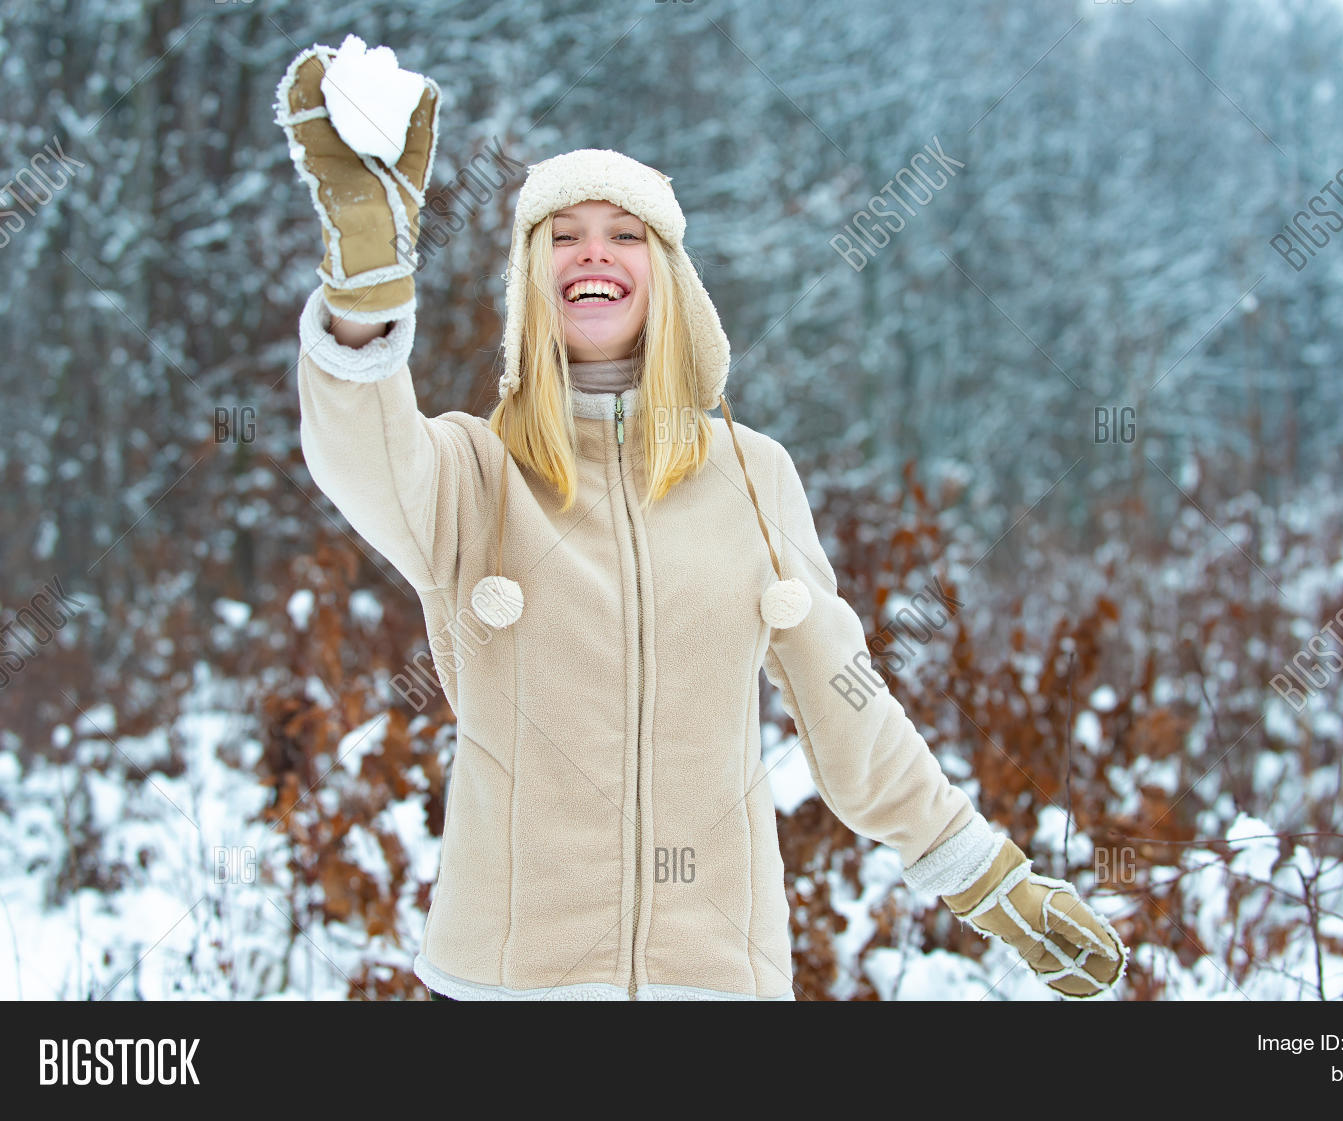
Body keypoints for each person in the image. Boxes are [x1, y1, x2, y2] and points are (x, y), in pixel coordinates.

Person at [275, 41, 1126, 1001]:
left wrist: (991, 881)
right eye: (563, 234)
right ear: (529, 281)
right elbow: (361, 456)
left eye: (625, 233)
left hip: (718, 983)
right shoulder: (473, 473)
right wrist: (364, 298)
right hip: (509, 983)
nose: (594, 252)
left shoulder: (755, 477)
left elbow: (848, 704)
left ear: (669, 277)